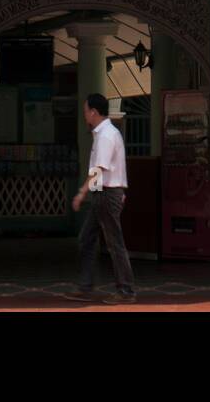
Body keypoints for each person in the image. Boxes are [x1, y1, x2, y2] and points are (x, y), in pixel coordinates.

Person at [69, 93, 136, 304]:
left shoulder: (106, 135)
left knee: (114, 243)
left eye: (85, 111)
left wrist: (82, 192)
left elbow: (99, 168)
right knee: (87, 239)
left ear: (94, 112)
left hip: (107, 194)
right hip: (103, 194)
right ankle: (86, 286)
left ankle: (126, 291)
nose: (84, 116)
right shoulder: (103, 133)